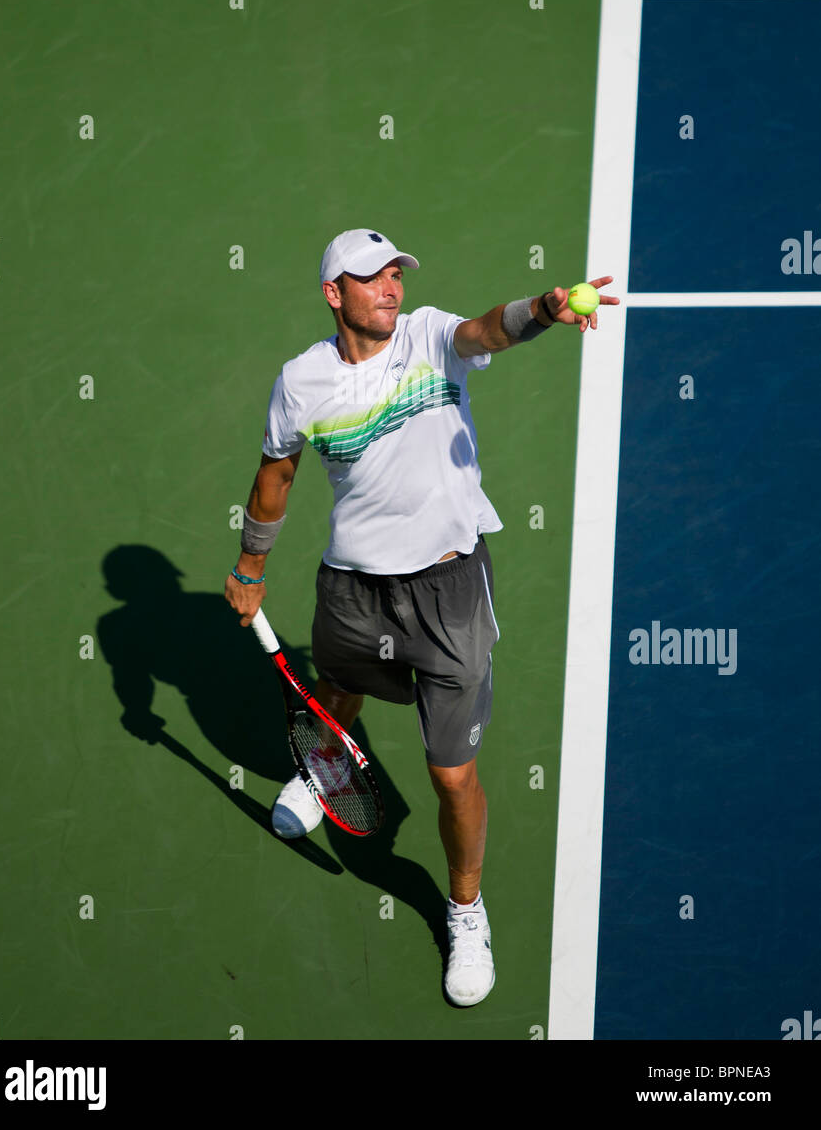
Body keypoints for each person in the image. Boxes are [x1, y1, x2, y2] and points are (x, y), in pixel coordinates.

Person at [224, 228, 618, 1007]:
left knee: (451, 772)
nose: (392, 288)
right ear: (335, 294)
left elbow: (486, 329)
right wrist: (250, 565)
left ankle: (465, 910)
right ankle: (327, 766)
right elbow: (276, 475)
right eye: (371, 279)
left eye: (396, 274)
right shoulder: (302, 381)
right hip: (352, 589)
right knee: (336, 693)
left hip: (448, 595)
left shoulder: (433, 338)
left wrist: (543, 308)